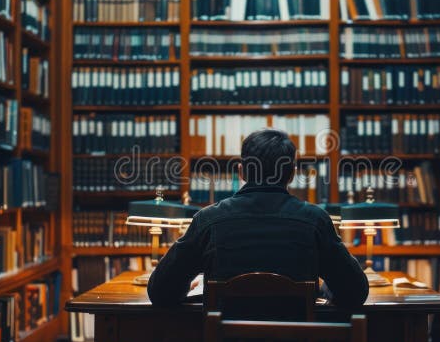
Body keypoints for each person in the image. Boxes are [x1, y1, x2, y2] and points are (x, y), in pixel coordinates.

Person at [147, 128, 369, 308]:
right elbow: (355, 292)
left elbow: (160, 291)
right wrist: (320, 287)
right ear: (292, 174)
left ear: (241, 171)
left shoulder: (208, 220)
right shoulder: (315, 220)